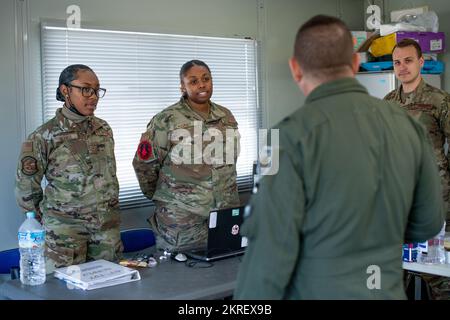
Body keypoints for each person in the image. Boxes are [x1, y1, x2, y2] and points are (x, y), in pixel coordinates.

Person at [234, 15, 444, 299]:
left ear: (296, 69)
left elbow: (268, 255)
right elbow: (428, 224)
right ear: (355, 64)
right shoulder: (405, 124)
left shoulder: (281, 139)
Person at [15, 64, 123, 272]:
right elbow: (26, 188)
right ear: (65, 91)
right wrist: (51, 219)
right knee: (62, 291)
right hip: (65, 234)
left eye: (97, 90)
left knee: (111, 289)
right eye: (85, 89)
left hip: (105, 228)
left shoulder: (104, 129)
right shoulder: (44, 135)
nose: (93, 96)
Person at [132, 60, 240, 253]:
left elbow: (230, 162)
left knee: (227, 273)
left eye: (206, 79)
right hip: (183, 220)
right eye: (193, 81)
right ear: (182, 86)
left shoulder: (226, 116)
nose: (201, 84)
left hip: (223, 213)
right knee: (183, 279)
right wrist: (168, 198)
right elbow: (144, 165)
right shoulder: (166, 120)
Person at [384, 39, 450, 300]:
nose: (402, 67)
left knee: (439, 273)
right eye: (397, 62)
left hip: (435, 199)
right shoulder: (388, 102)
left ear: (421, 62)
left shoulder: (440, 100)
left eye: (408, 60)